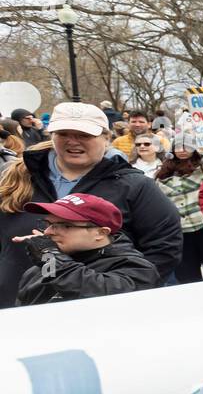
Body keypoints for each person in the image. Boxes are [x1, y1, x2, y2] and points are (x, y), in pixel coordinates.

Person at [0, 102, 181, 307]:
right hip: (17, 306)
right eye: (63, 133)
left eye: (84, 135)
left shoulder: (135, 186)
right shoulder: (12, 179)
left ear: (106, 138)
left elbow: (164, 249)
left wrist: (126, 293)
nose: (73, 141)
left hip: (100, 311)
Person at [11, 193, 159, 305]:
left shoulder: (137, 268)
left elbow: (106, 300)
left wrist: (51, 258)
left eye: (65, 225)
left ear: (101, 233)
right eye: (47, 224)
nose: (48, 232)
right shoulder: (40, 270)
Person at [154, 131, 203, 283]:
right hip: (180, 231)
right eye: (178, 146)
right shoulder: (162, 173)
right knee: (187, 275)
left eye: (187, 146)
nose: (183, 149)